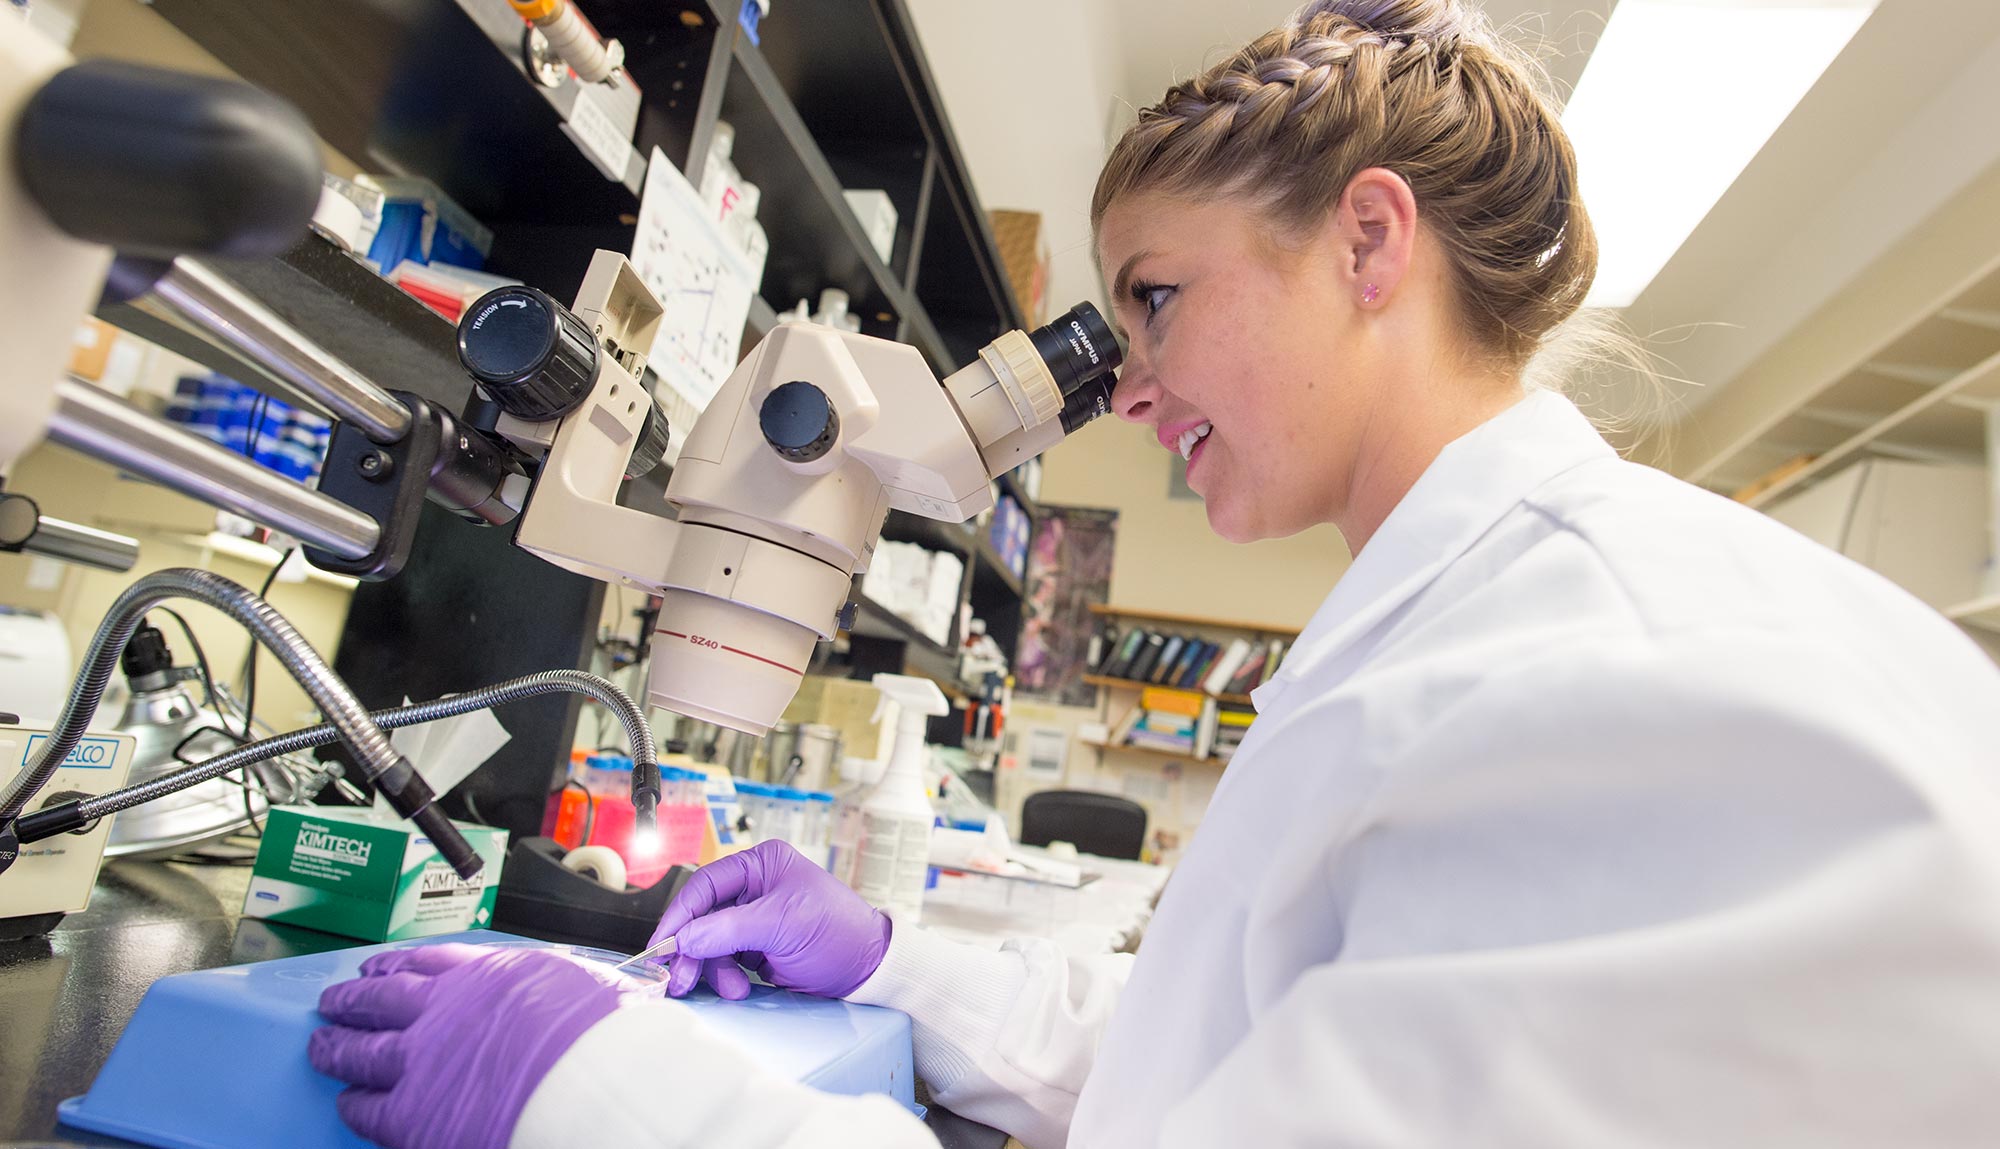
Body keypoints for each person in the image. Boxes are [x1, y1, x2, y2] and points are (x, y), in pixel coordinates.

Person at [309, 1, 2000, 1145]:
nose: (1119, 385)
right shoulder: (1460, 620)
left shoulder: (1613, 674)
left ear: (1368, 242)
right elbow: (1239, 1060)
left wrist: (603, 1092)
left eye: (1158, 299)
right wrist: (897, 956)